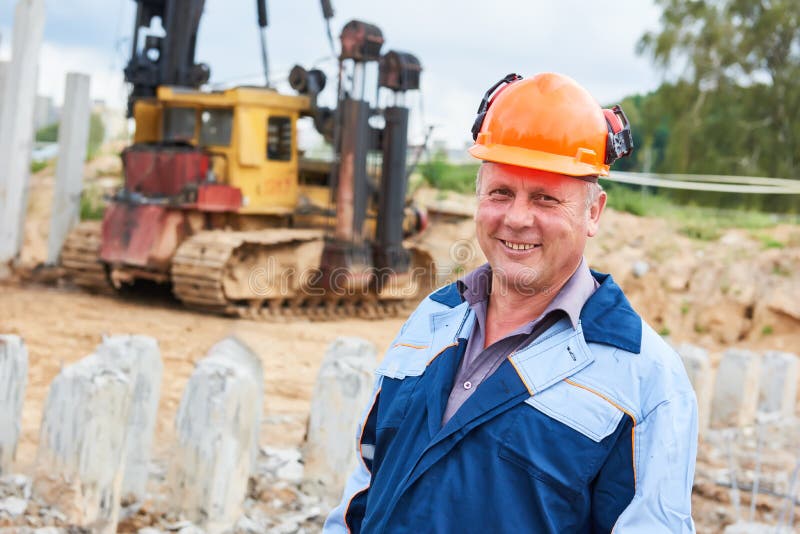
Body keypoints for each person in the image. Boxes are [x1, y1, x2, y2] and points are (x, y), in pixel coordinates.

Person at [323, 72, 698, 533]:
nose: (517, 218)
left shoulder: (643, 378)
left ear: (593, 212)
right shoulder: (433, 319)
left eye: (545, 198)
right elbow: (365, 479)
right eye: (501, 192)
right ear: (479, 197)